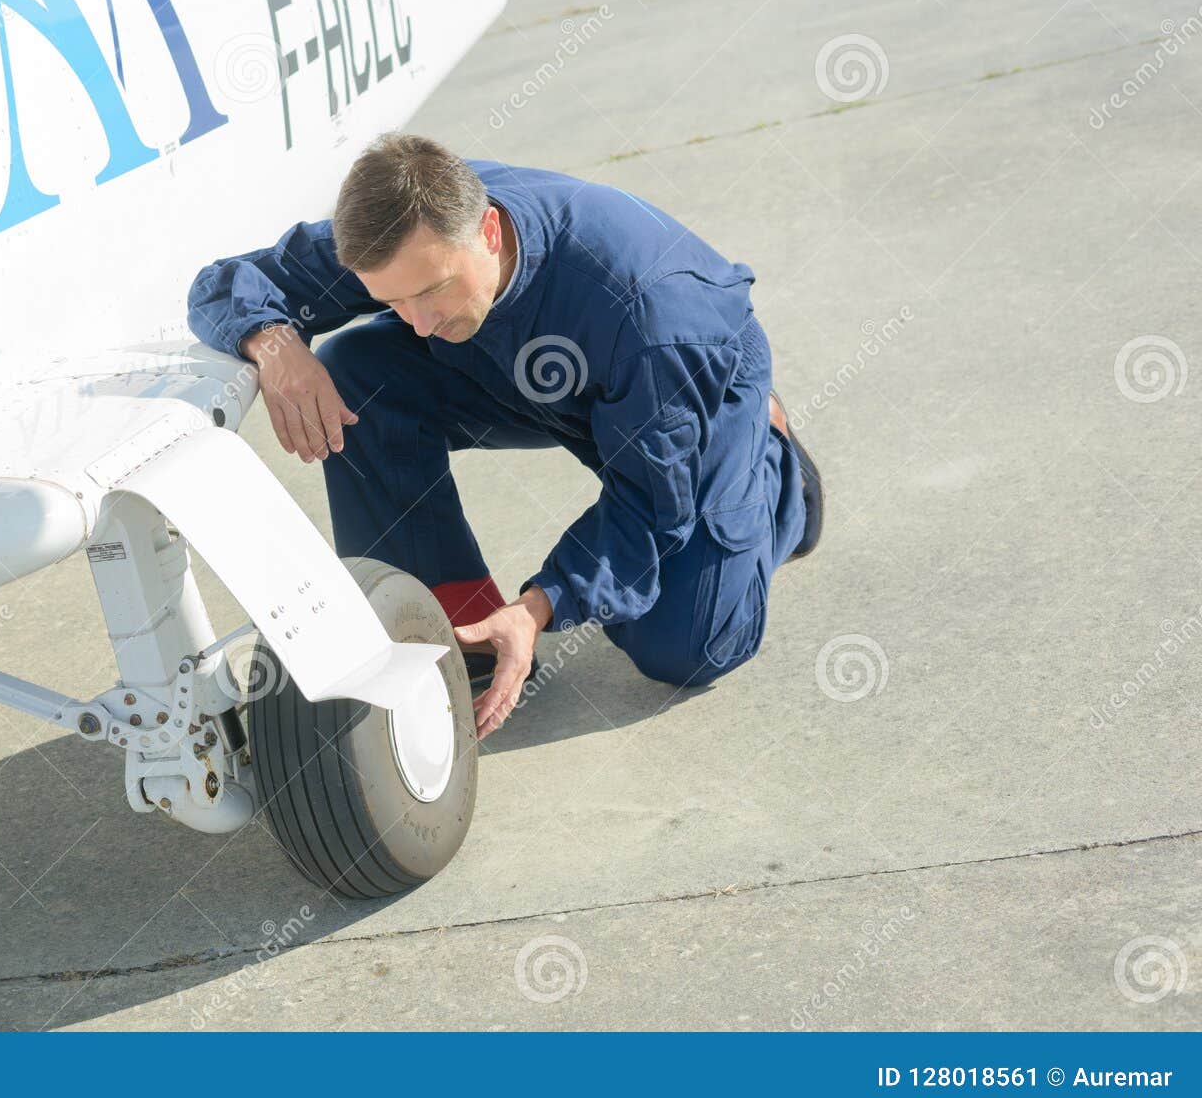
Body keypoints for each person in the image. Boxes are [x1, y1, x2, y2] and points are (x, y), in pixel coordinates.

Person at [187, 134, 821, 737]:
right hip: (528, 369)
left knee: (683, 644)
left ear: (488, 230)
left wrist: (541, 604)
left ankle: (775, 466)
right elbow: (224, 282)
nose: (419, 322)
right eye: (395, 301)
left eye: (433, 292)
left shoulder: (653, 319)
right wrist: (273, 343)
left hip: (681, 386)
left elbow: (651, 507)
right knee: (353, 370)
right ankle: (454, 626)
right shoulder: (404, 231)